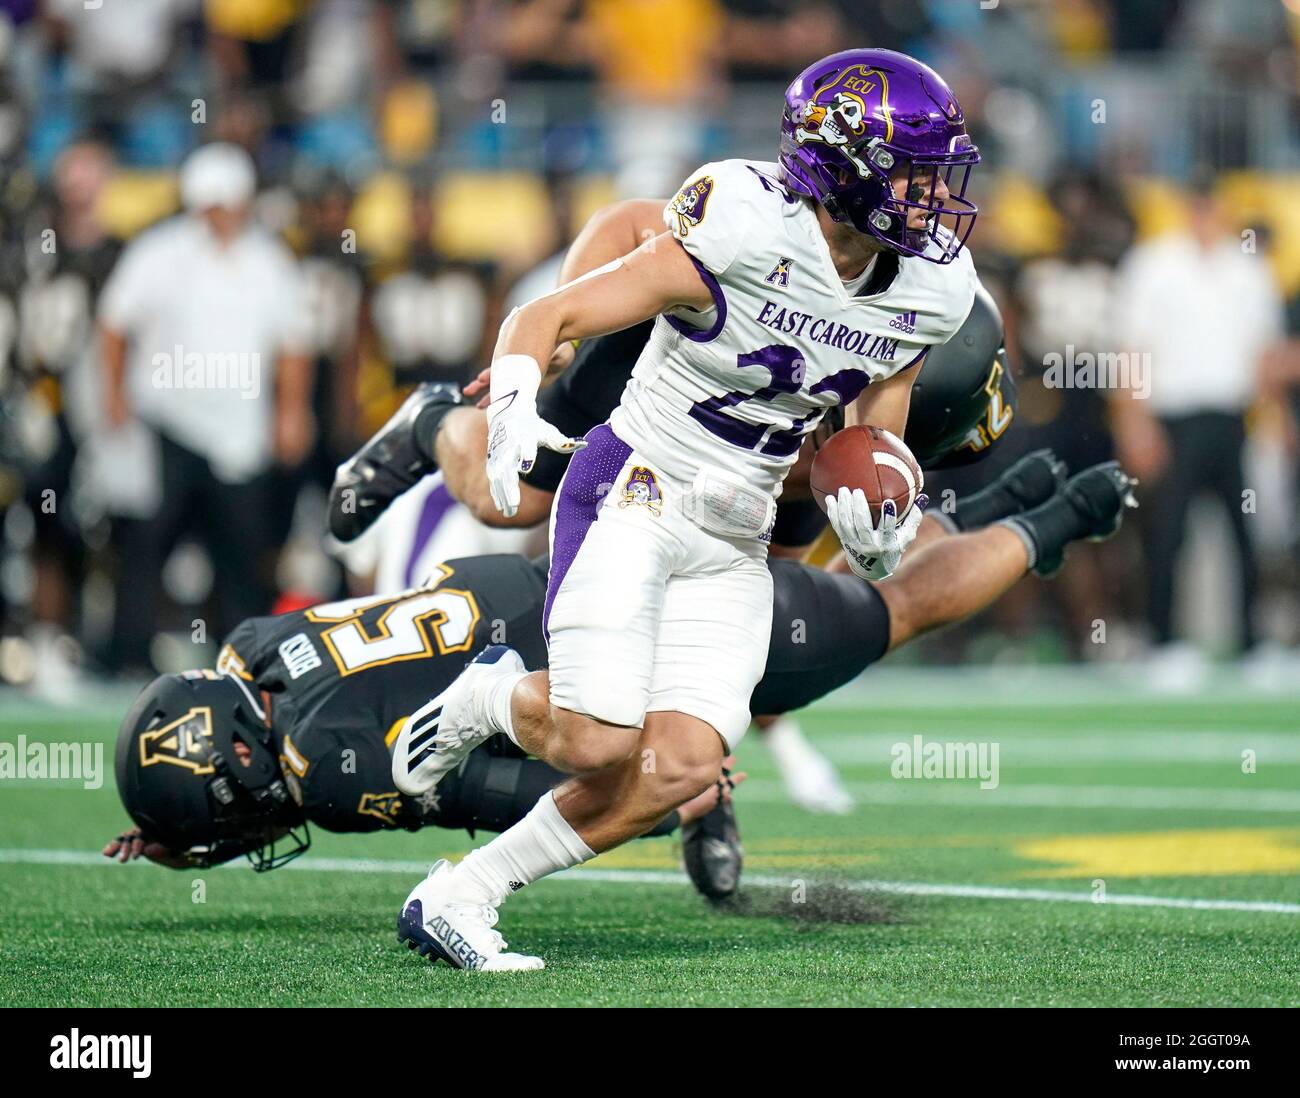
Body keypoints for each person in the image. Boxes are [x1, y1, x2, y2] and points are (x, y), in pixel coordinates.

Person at [363, 49, 998, 970]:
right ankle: (487, 698)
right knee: (593, 740)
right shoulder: (743, 221)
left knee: (682, 766)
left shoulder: (931, 288)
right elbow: (546, 317)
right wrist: (511, 409)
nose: (937, 195)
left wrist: (883, 515)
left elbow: (873, 432)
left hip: (738, 532)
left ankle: (464, 892)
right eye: (916, 170)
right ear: (844, 167)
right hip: (638, 486)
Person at [105, 450, 1134, 908]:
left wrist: (658, 793)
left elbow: (529, 796)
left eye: (220, 819)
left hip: (590, 646)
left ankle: (1050, 523)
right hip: (562, 583)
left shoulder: (322, 766)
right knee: (757, 664)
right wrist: (179, 821)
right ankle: (1001, 501)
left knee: (882, 618)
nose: (231, 836)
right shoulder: (248, 651)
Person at [97, 142, 314, 670]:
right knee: (147, 547)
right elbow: (114, 323)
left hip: (239, 434)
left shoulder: (269, 261)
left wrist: (291, 412)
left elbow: (293, 344)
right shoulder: (159, 252)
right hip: (166, 425)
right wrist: (115, 397)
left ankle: (243, 661)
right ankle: (127, 656)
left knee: (241, 554)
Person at [1111, 175, 1285, 680]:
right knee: (1168, 533)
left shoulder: (1246, 269)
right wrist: (1135, 425)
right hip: (1174, 417)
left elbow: (1265, 354)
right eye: (1200, 206)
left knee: (1244, 532)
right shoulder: (1154, 265)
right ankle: (1163, 641)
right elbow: (1132, 352)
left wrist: (1275, 422)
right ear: (1189, 209)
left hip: (1232, 417)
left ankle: (1253, 642)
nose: (1206, 215)